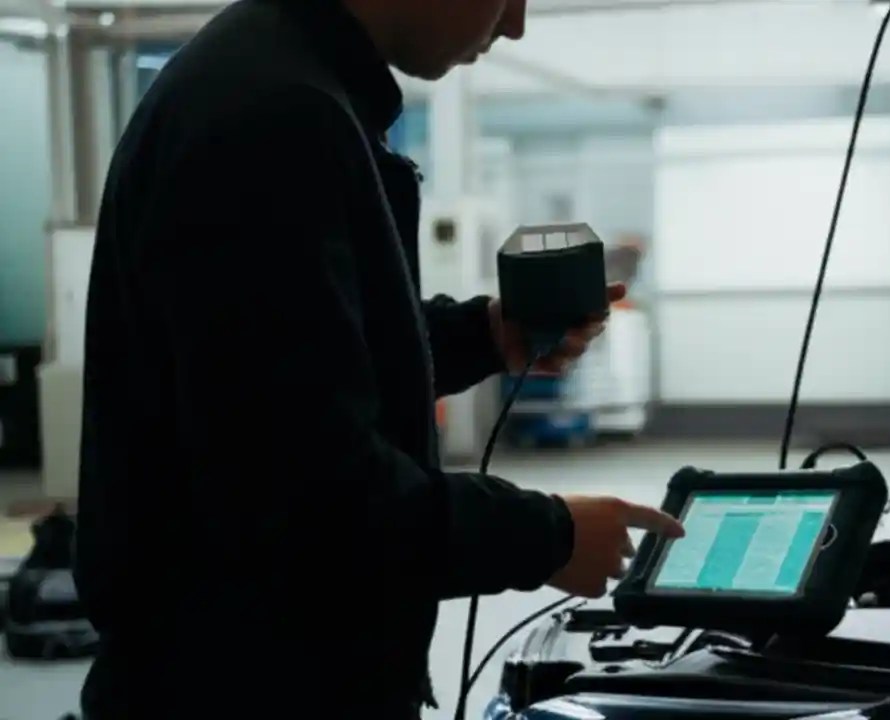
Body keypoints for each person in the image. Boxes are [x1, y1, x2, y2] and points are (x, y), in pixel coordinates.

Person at [73, 0, 684, 718]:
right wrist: (548, 534)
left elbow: (306, 359)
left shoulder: (275, 78)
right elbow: (314, 498)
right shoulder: (274, 117)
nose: (515, 23)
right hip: (249, 686)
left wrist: (482, 336)